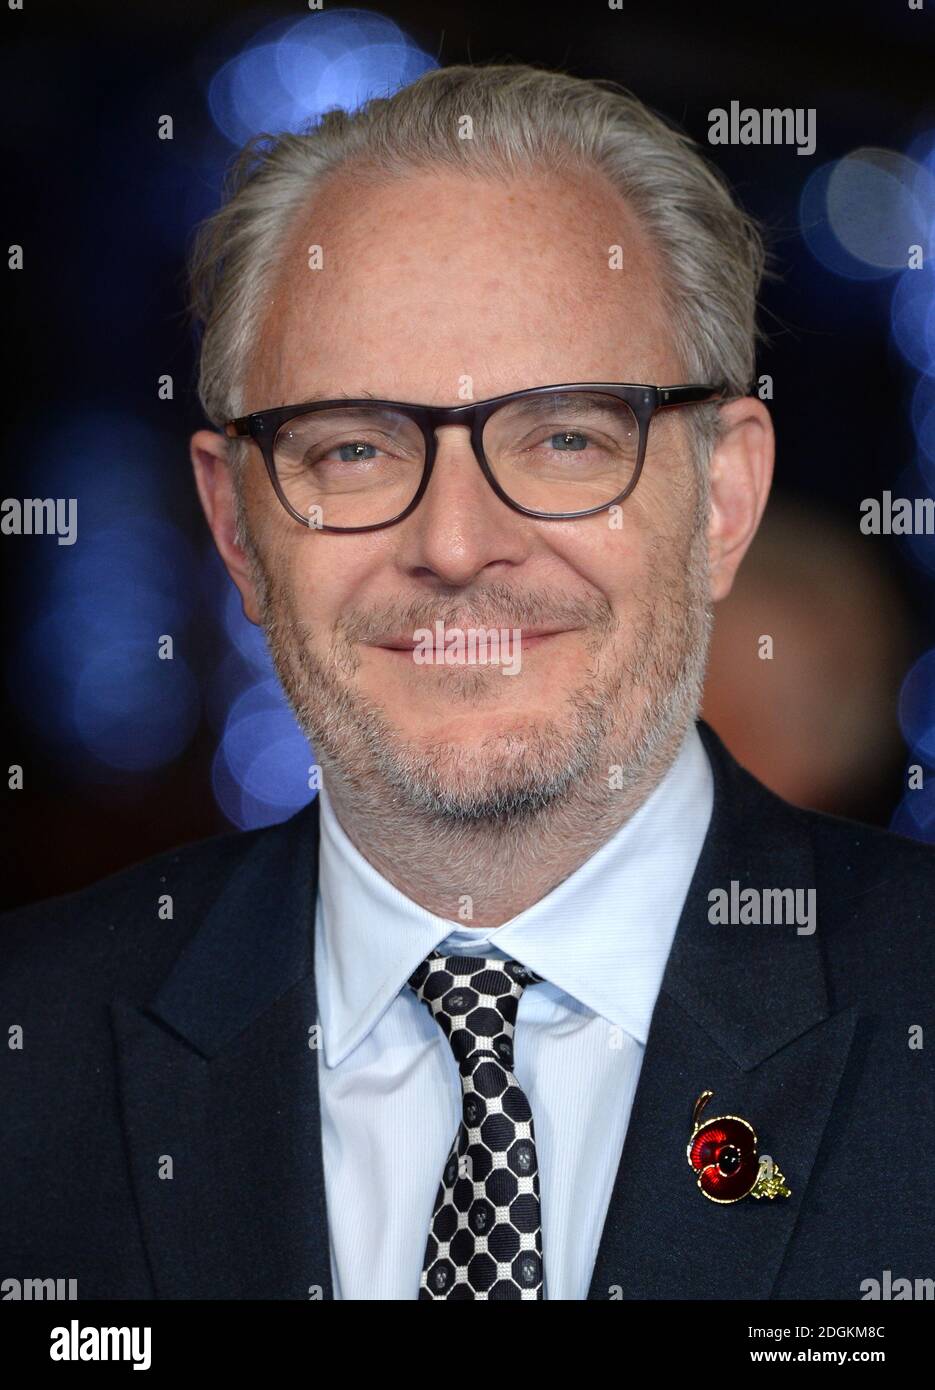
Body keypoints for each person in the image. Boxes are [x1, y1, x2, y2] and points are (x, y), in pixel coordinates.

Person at [2, 63, 933, 1302]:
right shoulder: (28, 1060)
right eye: (351, 445)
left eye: (562, 438)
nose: (452, 542)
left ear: (720, 499)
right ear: (235, 526)